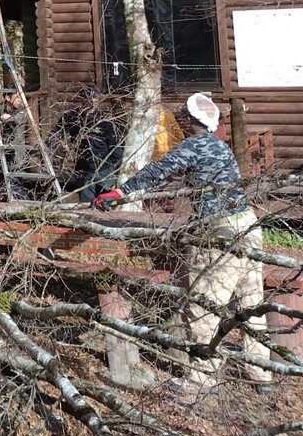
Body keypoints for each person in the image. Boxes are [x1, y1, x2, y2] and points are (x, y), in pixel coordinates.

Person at [92, 92, 274, 393]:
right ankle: (262, 374)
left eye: (184, 118)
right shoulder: (220, 147)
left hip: (218, 234)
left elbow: (157, 171)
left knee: (203, 306)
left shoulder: (194, 145)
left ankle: (201, 379)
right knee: (250, 305)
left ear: (190, 122)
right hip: (248, 225)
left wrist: (119, 193)